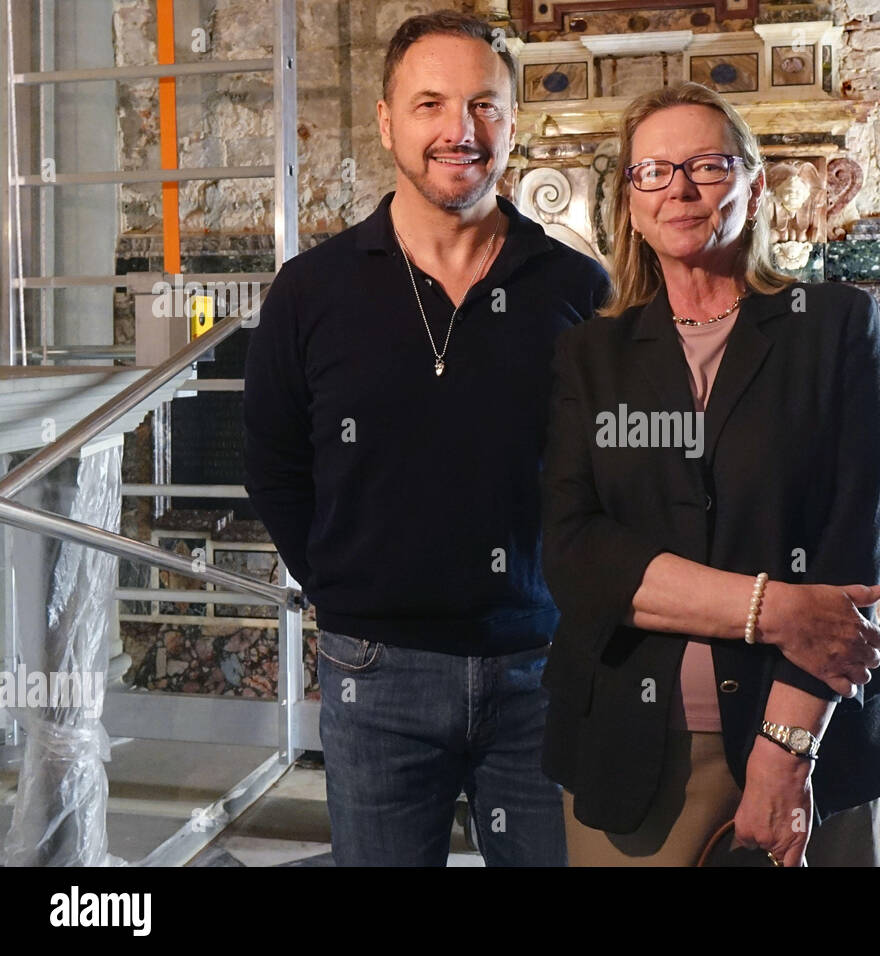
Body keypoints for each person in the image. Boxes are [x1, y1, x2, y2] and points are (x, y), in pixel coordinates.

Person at [242, 12, 609, 866]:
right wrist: (346, 584)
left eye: (484, 105)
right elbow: (273, 461)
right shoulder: (311, 291)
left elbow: (612, 473)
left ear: (511, 121)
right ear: (386, 122)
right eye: (431, 104)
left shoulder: (575, 288)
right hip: (376, 673)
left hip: (543, 666)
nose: (460, 130)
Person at [540, 81, 880, 866]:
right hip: (633, 747)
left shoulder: (835, 326)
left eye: (707, 165)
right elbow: (577, 555)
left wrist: (786, 749)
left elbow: (852, 549)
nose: (679, 188)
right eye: (653, 171)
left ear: (755, 186)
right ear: (630, 202)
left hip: (815, 738)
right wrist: (772, 610)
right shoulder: (591, 354)